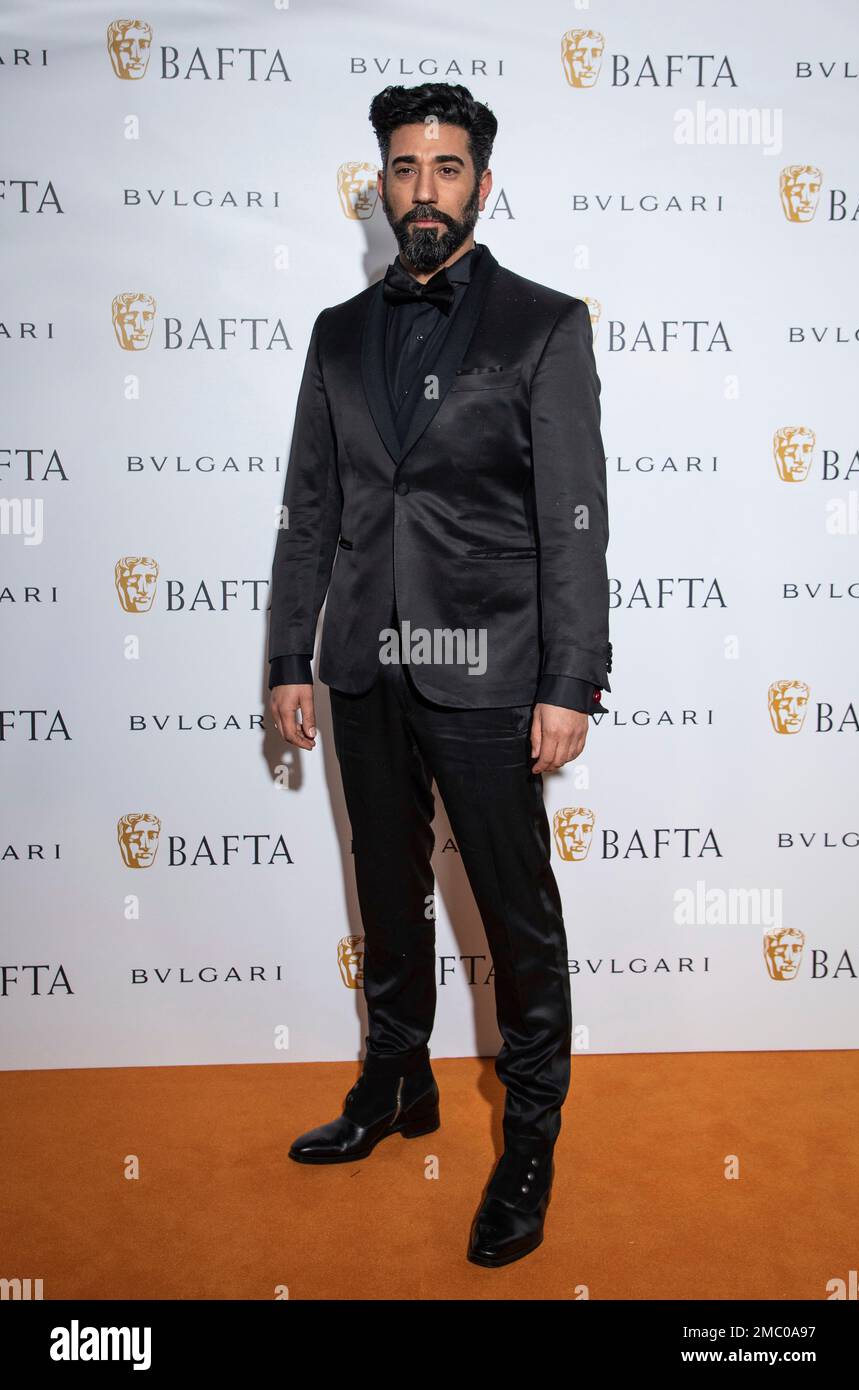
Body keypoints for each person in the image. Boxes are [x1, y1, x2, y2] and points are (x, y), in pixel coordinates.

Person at [268, 81, 612, 1269]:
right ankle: (393, 1082)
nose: (425, 188)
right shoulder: (335, 333)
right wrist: (286, 656)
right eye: (405, 167)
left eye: (447, 167)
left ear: (480, 180)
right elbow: (310, 507)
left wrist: (569, 679)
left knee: (515, 917)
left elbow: (573, 525)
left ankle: (527, 1140)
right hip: (362, 663)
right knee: (389, 893)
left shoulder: (541, 324)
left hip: (488, 668)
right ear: (380, 181)